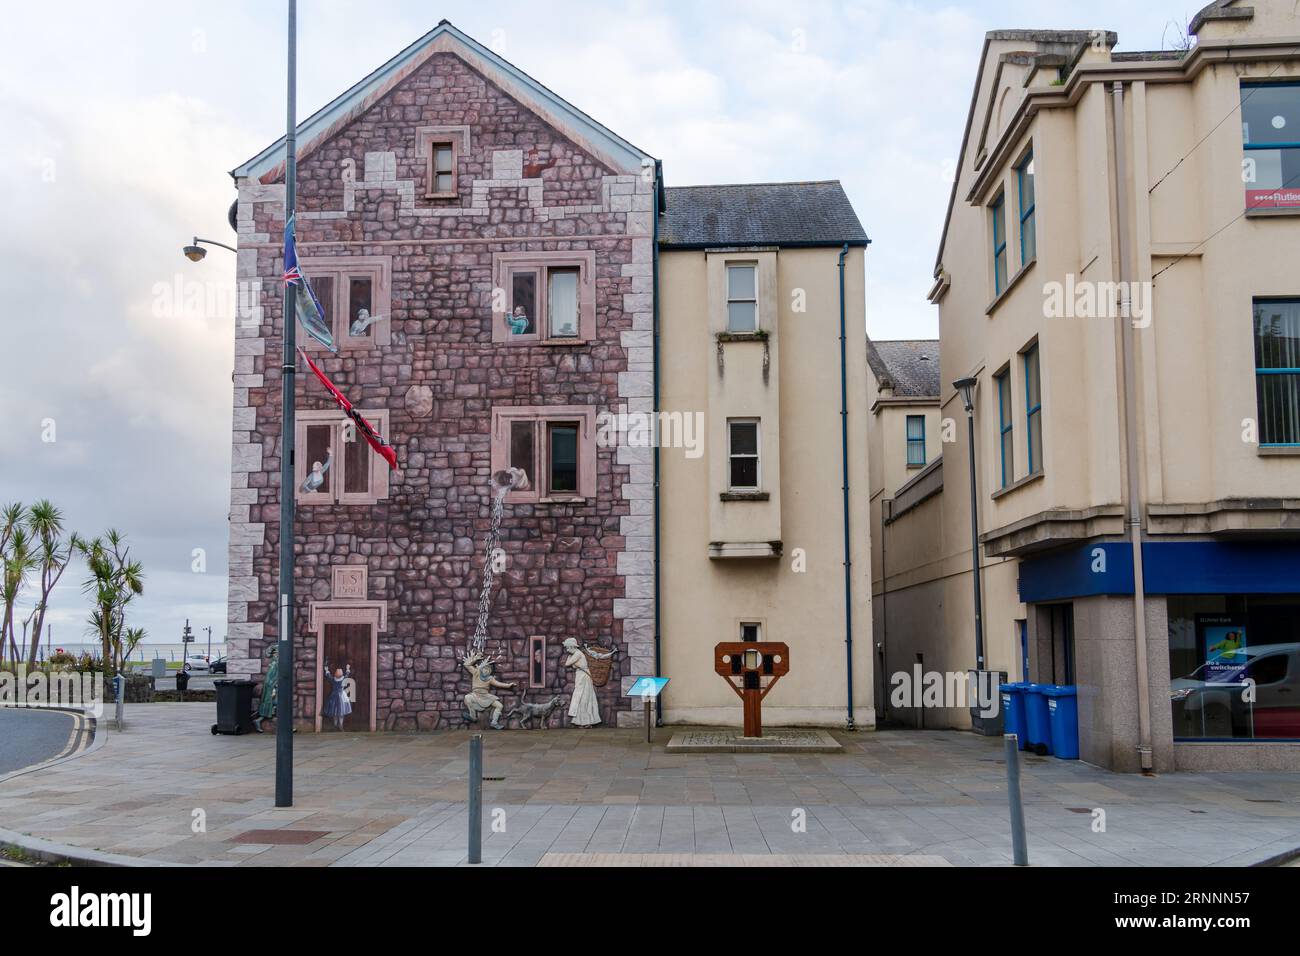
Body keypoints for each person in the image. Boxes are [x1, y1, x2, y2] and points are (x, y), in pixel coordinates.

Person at [462, 652, 516, 729]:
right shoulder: (476, 673)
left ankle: (494, 722)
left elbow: (498, 684)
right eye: (485, 669)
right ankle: (472, 716)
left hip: (486, 696)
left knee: (499, 705)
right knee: (467, 697)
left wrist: (509, 685)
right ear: (481, 669)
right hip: (475, 695)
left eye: (489, 670)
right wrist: (475, 659)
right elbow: (466, 665)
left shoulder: (490, 678)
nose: (487, 671)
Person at [562, 638, 601, 727]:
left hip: (583, 677)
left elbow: (567, 663)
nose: (567, 650)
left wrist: (571, 660)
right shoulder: (577, 654)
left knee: (584, 697)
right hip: (581, 676)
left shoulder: (577, 654)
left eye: (568, 648)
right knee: (581, 697)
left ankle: (586, 721)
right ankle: (582, 720)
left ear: (572, 646)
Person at [253, 644, 278, 733]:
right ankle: (283, 727)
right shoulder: (275, 664)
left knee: (275, 706)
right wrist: (274, 687)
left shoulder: (275, 664)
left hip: (274, 688)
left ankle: (259, 720)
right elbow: (270, 679)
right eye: (277, 653)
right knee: (276, 705)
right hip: (272, 689)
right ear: (274, 654)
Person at [321, 662, 353, 731]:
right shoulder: (343, 679)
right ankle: (339, 725)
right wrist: (347, 668)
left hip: (334, 696)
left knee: (335, 711)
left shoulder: (333, 679)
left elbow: (328, 676)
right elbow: (347, 674)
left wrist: (326, 670)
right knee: (340, 712)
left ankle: (336, 725)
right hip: (341, 696)